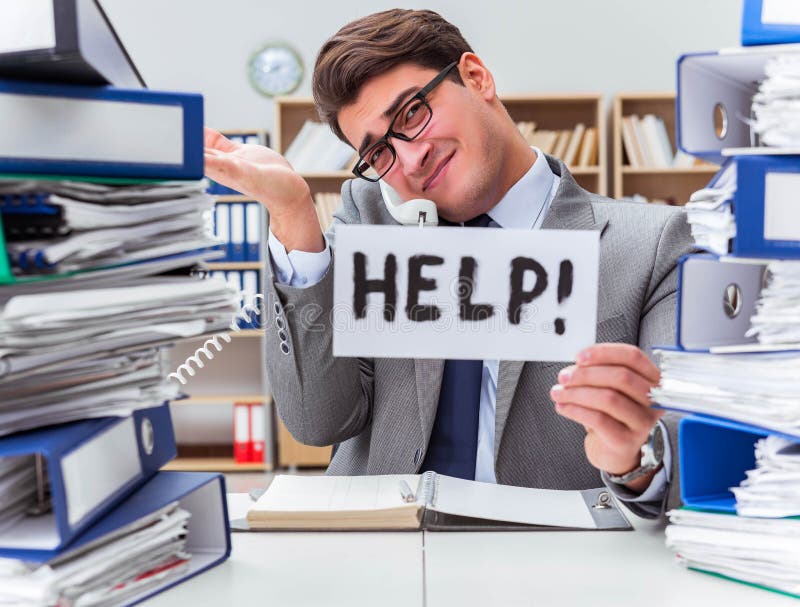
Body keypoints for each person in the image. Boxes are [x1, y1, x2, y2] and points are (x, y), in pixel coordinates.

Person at [204, 9, 694, 518]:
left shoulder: (652, 244)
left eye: (412, 114)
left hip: (550, 564)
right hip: (379, 558)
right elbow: (317, 422)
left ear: (476, 77)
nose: (410, 158)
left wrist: (634, 459)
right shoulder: (372, 221)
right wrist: (292, 215)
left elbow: (684, 456)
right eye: (379, 153)